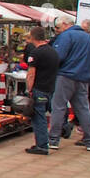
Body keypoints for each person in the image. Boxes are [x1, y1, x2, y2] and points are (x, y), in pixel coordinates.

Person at [46, 16, 90, 151]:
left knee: (58, 107)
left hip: (65, 76)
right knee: (83, 109)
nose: (57, 31)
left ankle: (53, 140)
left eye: (57, 28)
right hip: (83, 77)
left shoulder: (66, 36)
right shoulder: (88, 38)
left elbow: (58, 56)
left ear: (64, 24)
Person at [22, 26, 58, 155]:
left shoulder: (36, 53)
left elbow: (31, 74)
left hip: (39, 89)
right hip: (50, 88)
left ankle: (42, 145)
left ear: (32, 37)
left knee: (39, 117)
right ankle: (61, 131)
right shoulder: (53, 51)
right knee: (51, 113)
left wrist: (29, 90)